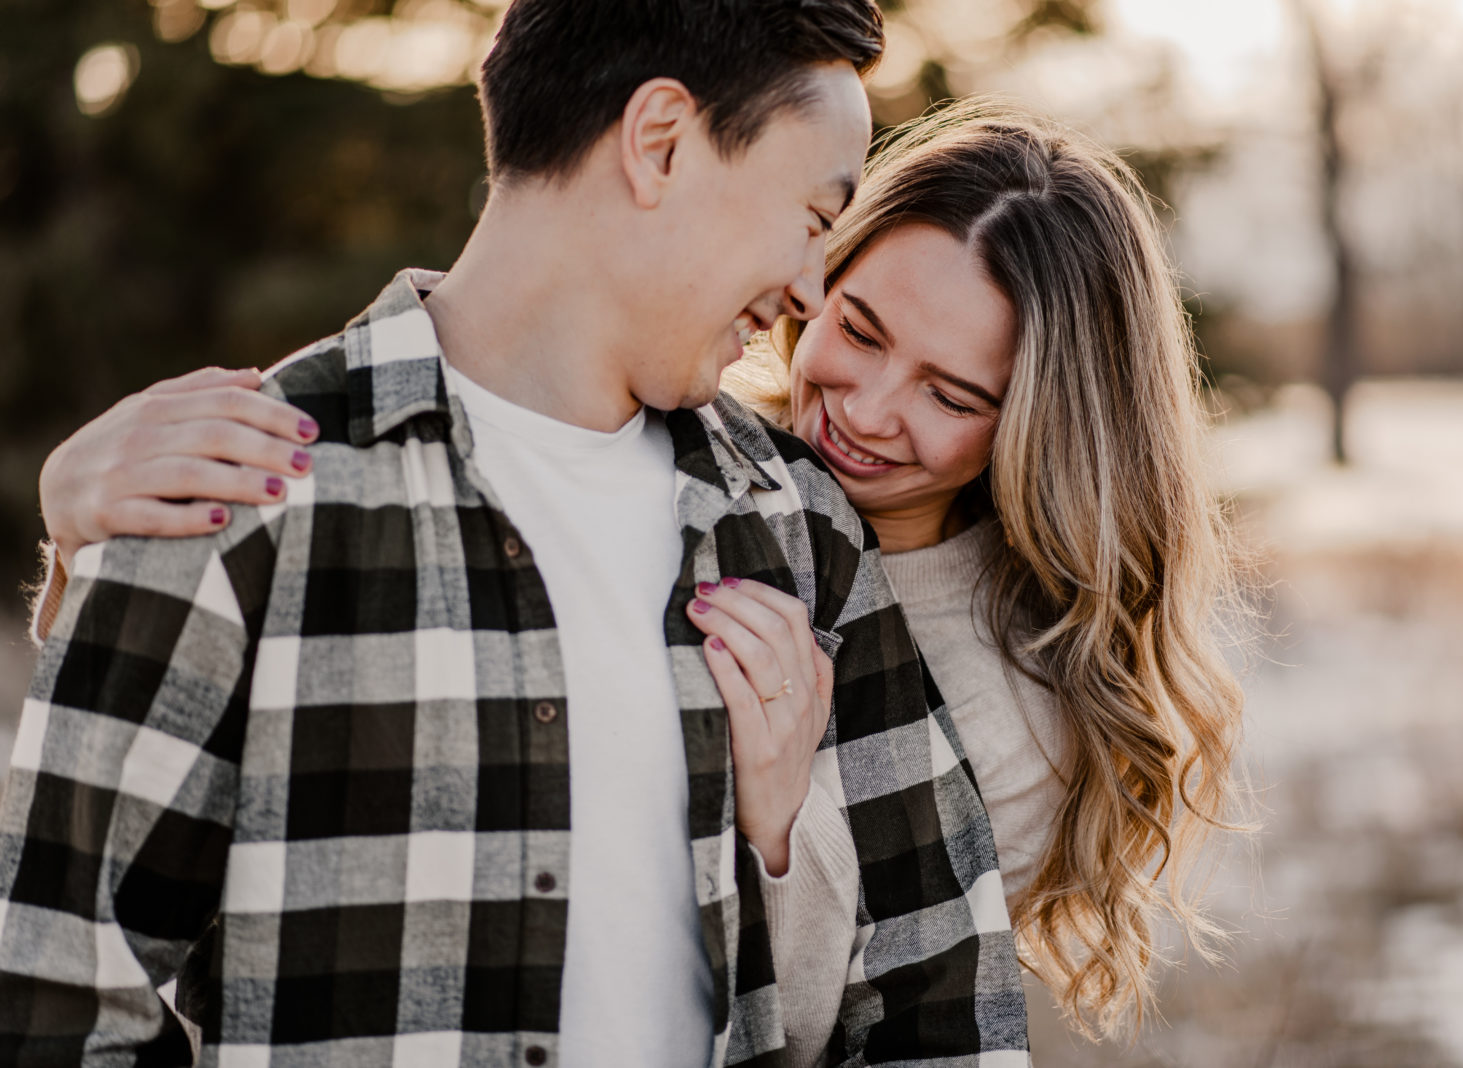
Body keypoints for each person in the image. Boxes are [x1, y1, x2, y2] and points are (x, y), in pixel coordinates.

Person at [32, 101, 1251, 1062]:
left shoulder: (1011, 703)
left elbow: (880, 1020)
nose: (869, 414)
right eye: (863, 331)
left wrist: (778, 825)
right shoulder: (707, 457)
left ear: (1036, 428)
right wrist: (92, 538)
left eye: (952, 395)